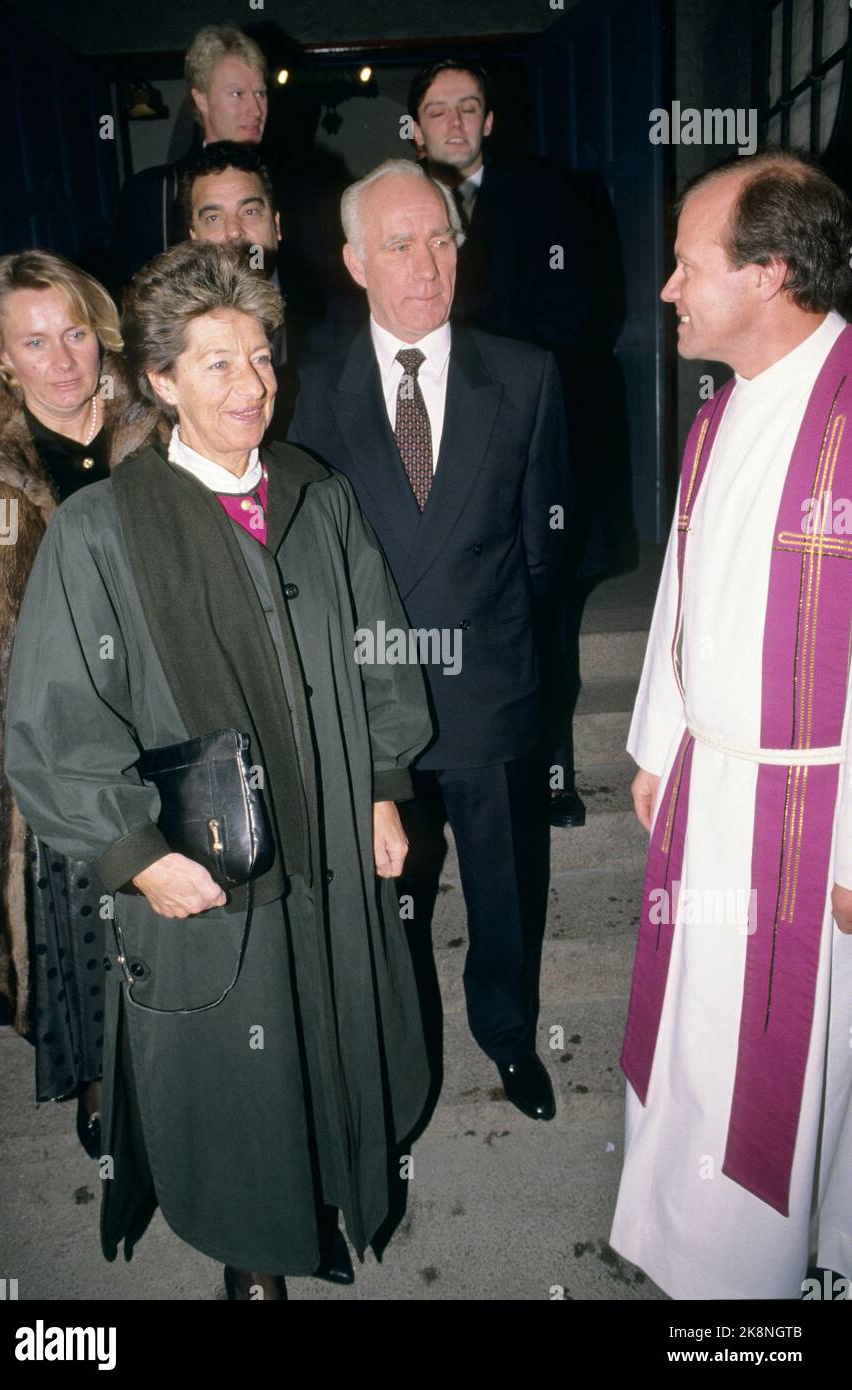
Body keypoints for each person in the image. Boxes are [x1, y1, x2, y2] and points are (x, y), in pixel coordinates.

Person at [3, 241, 433, 1300]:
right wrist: (136, 855)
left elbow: (379, 638)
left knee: (331, 1009)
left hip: (329, 828)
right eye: (215, 365)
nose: (251, 388)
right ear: (157, 381)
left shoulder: (314, 496)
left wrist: (382, 776)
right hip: (206, 860)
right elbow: (55, 724)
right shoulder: (104, 528)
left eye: (260, 360)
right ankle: (254, 1246)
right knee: (242, 1060)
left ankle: (338, 1183)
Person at [611, 149, 852, 1299]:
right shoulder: (720, 410)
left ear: (764, 275)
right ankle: (703, 1266)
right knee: (695, 1050)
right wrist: (661, 741)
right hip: (714, 790)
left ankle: (775, 1276)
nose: (666, 291)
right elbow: (679, 580)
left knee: (798, 1081)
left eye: (684, 267)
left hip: (813, 821)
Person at [289, 160, 571, 1122]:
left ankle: (505, 1035)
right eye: (400, 245)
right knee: (381, 900)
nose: (426, 265)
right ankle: (386, 1056)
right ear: (355, 261)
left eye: (442, 240)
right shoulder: (300, 385)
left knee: (501, 889)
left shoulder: (524, 376)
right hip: (364, 703)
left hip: (486, 687)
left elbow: (541, 551)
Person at [0, 250, 151, 1156]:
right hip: (39, 736)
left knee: (158, 897)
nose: (64, 360)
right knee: (73, 916)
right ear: (2, 359)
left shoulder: (156, 430)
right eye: (35, 342)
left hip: (157, 718)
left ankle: (175, 1060)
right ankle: (93, 1075)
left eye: (75, 332)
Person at [409, 59, 591, 830]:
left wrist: (493, 383)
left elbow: (578, 309)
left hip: (517, 436)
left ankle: (548, 774)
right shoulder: (396, 203)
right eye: (437, 109)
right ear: (414, 124)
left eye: (468, 107)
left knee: (539, 614)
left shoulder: (549, 193)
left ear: (488, 119)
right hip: (424, 439)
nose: (453, 122)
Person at [181, 141, 319, 436]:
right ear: (194, 238)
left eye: (250, 211)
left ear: (277, 225)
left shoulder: (336, 316)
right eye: (214, 218)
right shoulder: (171, 338)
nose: (233, 232)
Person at [115, 24, 269, 284]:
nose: (255, 109)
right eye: (237, 94)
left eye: (260, 93)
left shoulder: (295, 185)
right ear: (201, 99)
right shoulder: (154, 193)